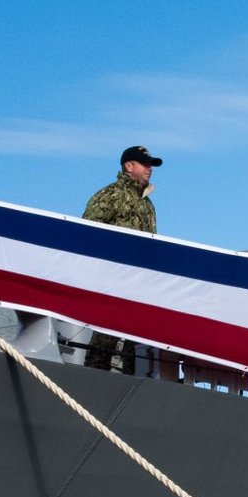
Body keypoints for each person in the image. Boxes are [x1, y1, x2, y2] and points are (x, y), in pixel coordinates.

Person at [81, 145, 162, 372]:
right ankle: (94, 379)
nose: (149, 169)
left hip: (138, 282)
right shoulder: (110, 195)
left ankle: (129, 382)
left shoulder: (147, 205)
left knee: (134, 339)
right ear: (129, 166)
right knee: (105, 334)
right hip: (111, 279)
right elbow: (86, 233)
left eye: (151, 165)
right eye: (145, 164)